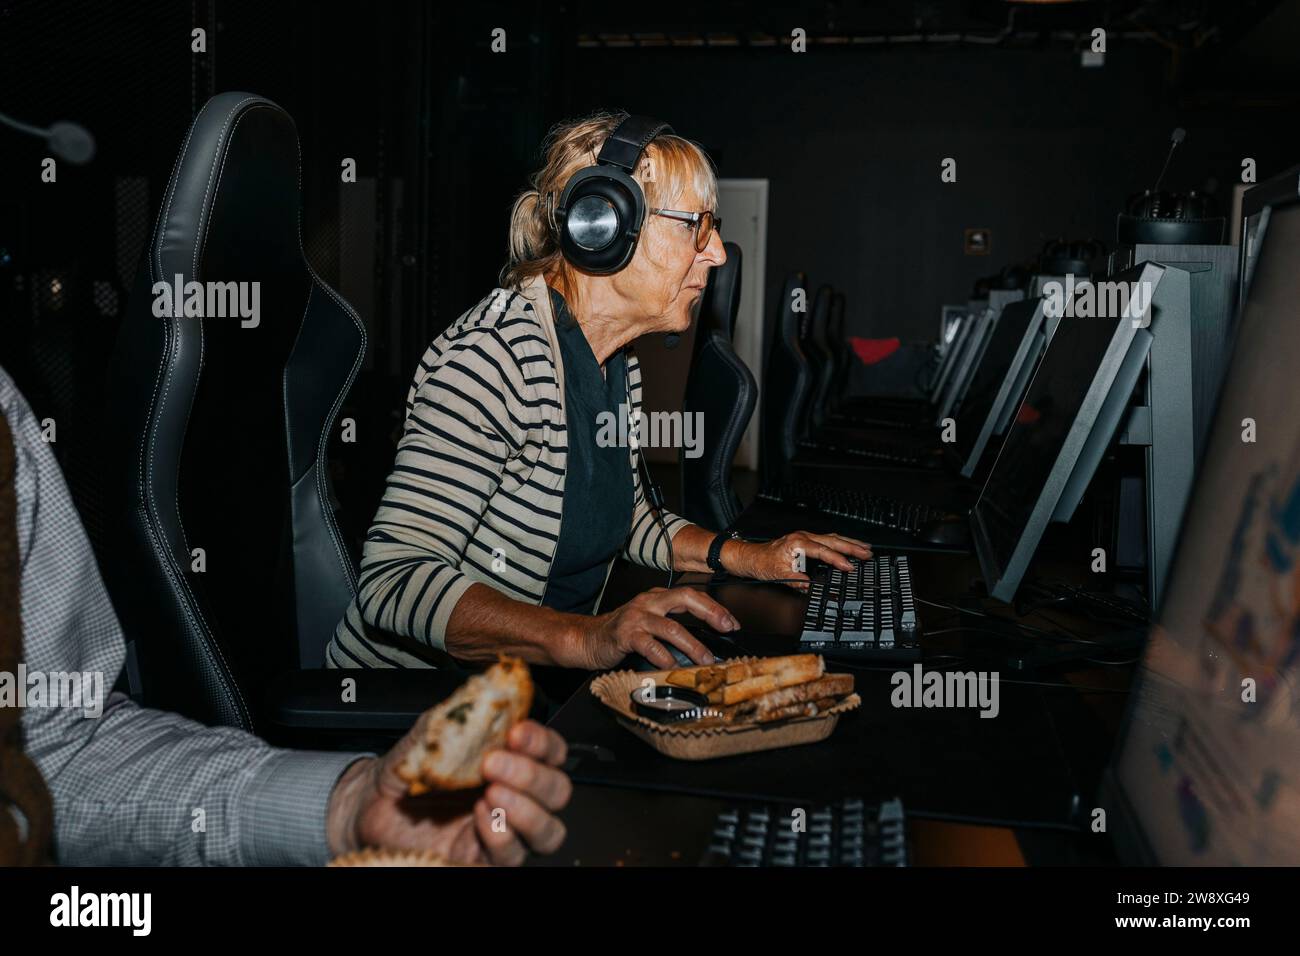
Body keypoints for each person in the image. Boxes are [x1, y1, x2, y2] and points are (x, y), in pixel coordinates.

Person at [325, 111, 870, 672]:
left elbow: (625, 515)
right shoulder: (492, 359)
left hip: (524, 690)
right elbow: (394, 581)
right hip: (413, 716)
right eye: (695, 226)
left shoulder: (616, 361)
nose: (718, 253)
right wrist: (586, 638)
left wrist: (751, 557)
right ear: (604, 225)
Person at [0, 366, 570, 866]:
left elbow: (56, 754)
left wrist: (347, 806)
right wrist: (574, 636)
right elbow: (398, 582)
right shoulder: (489, 360)